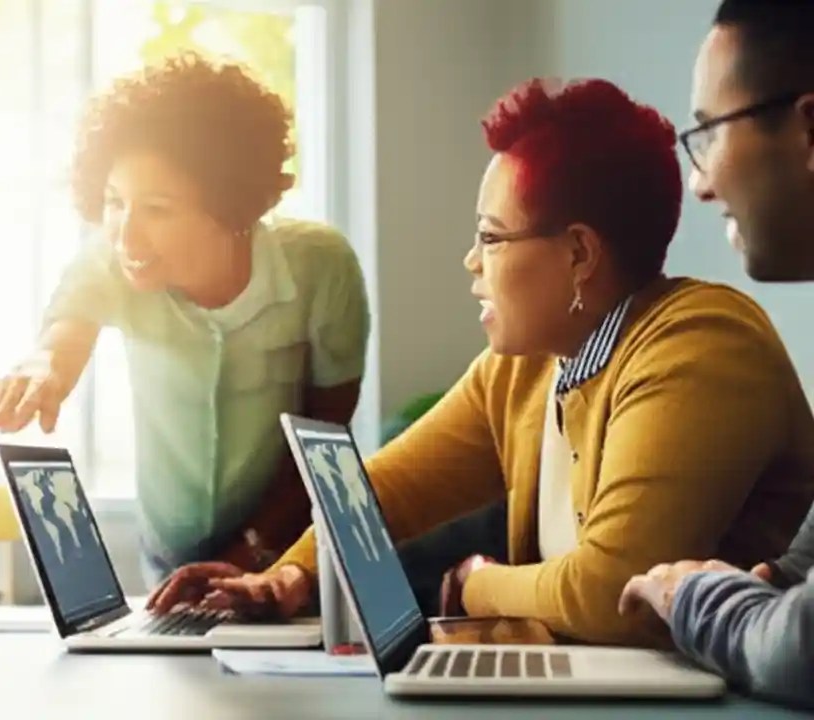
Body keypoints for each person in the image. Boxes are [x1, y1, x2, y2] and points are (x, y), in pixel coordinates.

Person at [148, 76, 814, 647]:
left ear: (579, 253)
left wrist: (476, 582)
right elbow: (382, 493)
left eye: (491, 238)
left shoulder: (700, 345)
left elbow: (610, 591)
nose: (472, 262)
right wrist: (287, 577)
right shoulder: (526, 368)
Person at [0, 53, 370, 587]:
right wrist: (41, 370)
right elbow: (65, 329)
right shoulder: (107, 260)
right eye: (115, 202)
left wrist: (252, 551)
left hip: (285, 558)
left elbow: (325, 434)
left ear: (227, 202)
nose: (126, 236)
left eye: (157, 209)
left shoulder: (320, 267)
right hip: (167, 568)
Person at [620, 0, 814, 708]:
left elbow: (802, 650)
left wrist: (694, 594)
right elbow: (798, 577)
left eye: (707, 133)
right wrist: (771, 585)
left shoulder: (701, 341)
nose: (699, 183)